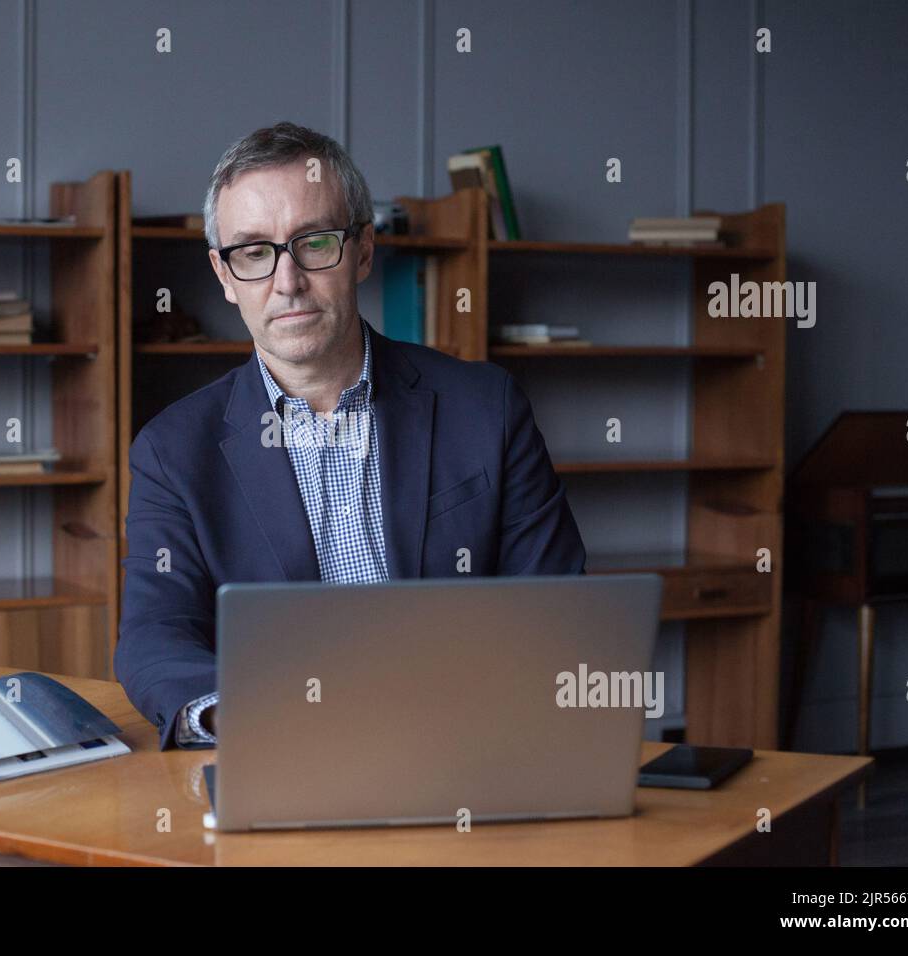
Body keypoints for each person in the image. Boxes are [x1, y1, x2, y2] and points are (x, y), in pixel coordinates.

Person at [116, 120, 586, 750]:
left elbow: (552, 605)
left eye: (314, 243)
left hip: (470, 744)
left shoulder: (486, 408)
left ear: (363, 249)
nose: (287, 282)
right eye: (253, 253)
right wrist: (252, 718)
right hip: (285, 750)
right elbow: (155, 635)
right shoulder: (171, 453)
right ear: (224, 275)